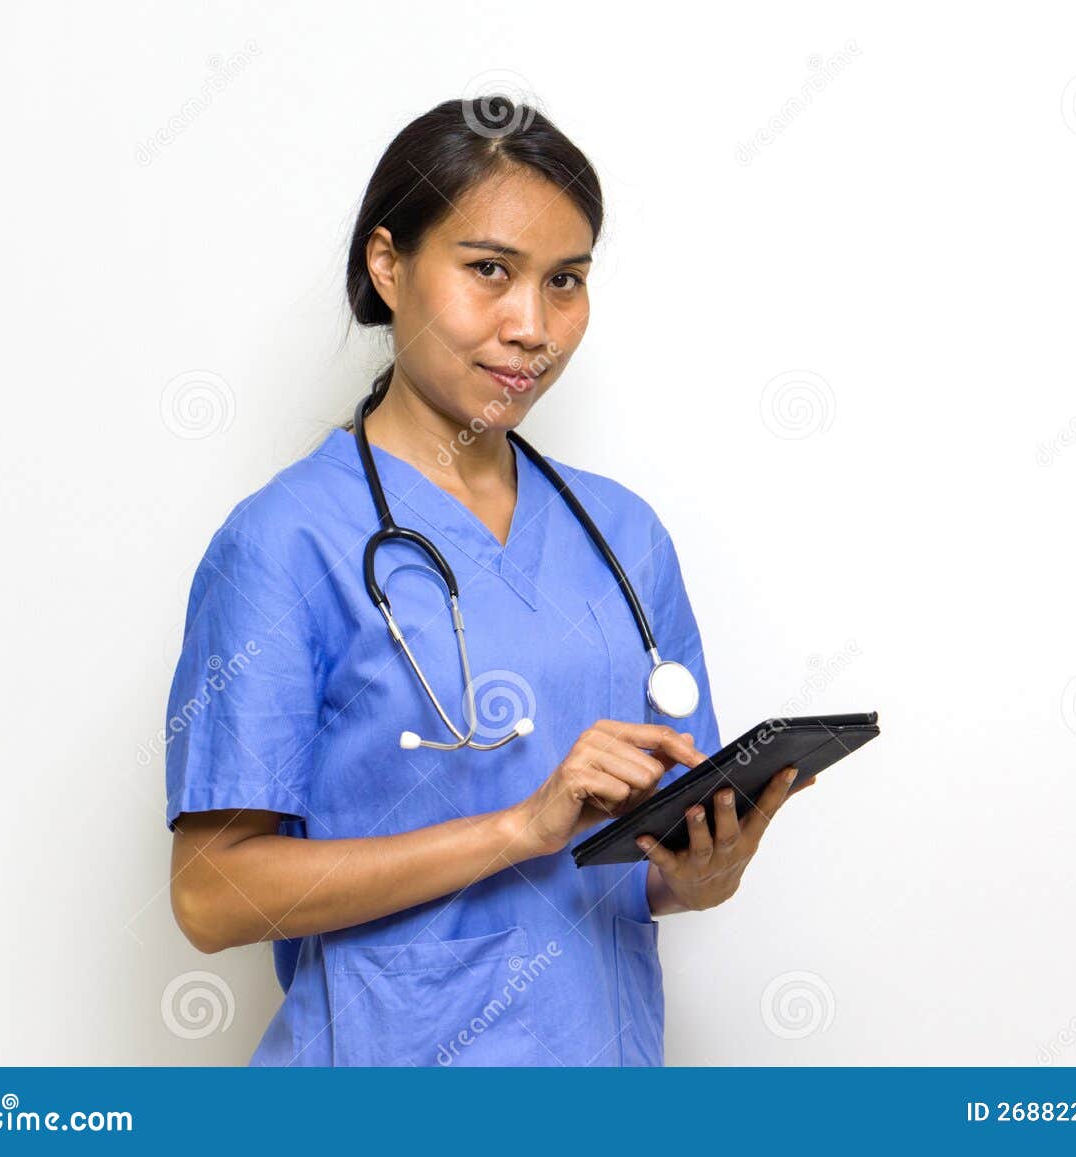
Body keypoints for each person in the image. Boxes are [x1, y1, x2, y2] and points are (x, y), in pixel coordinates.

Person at [163, 96, 808, 1066]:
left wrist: (700, 873)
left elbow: (647, 862)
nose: (532, 326)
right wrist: (517, 827)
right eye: (490, 271)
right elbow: (210, 894)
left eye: (565, 281)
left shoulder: (623, 536)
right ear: (388, 265)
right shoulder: (284, 542)